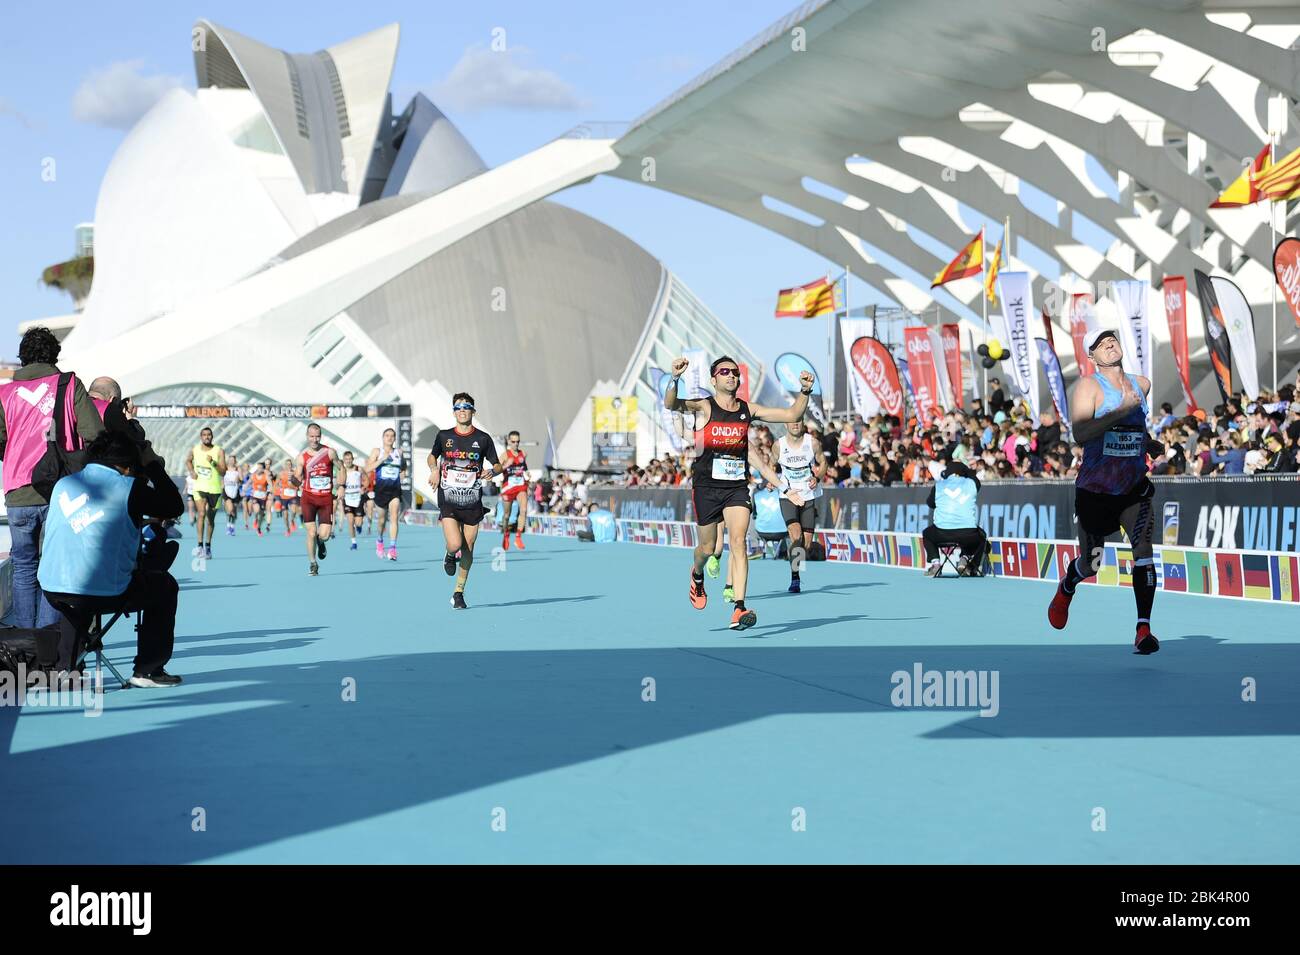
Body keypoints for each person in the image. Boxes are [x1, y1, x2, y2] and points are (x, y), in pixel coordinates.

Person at [665, 355, 812, 631]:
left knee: (738, 542)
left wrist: (804, 391)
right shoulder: (704, 406)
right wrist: (674, 379)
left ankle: (739, 608)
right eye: (724, 372)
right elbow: (671, 403)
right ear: (714, 379)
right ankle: (697, 575)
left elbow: (792, 414)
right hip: (707, 487)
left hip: (735, 489)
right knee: (708, 549)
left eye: (734, 372)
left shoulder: (747, 410)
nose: (731, 375)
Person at [39, 430, 185, 687]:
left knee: (78, 588)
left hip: (53, 587)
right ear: (127, 465)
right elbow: (174, 506)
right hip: (103, 590)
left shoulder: (64, 484)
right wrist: (151, 465)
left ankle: (67, 669)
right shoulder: (129, 487)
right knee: (164, 586)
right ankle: (148, 670)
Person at [1047, 329, 1159, 654]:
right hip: (1096, 491)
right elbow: (1081, 433)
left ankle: (1143, 629)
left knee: (1144, 550)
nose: (1109, 343)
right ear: (1092, 357)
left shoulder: (1143, 384)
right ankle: (1068, 584)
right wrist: (1122, 411)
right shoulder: (1088, 386)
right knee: (1092, 564)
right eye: (1099, 343)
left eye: (1112, 338)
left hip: (1133, 489)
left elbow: (1134, 428)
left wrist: (1147, 442)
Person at [0, 326, 106, 631]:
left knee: (23, 567)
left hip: (17, 490)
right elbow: (95, 433)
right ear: (53, 355)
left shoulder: (5, 393)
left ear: (22, 358)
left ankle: (25, 639)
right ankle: (48, 642)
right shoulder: (68, 384)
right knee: (54, 567)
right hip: (61, 490)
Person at [428, 393, 499, 609]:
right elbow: (432, 456)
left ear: (473, 412)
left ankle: (458, 593)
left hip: (472, 501)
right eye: (458, 407)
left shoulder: (484, 439)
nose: (462, 410)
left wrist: (492, 472)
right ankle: (450, 555)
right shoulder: (444, 436)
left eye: (466, 407)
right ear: (454, 412)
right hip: (448, 498)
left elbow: (497, 465)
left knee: (468, 548)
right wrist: (434, 469)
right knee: (456, 544)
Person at [775, 415, 827, 593]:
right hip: (788, 497)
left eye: (798, 421)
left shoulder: (812, 443)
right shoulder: (779, 445)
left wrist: (817, 477)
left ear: (803, 423)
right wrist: (771, 481)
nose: (795, 424)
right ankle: (795, 578)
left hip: (808, 496)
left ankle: (796, 562)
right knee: (795, 537)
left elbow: (824, 463)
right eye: (792, 421)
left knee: (805, 546)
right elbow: (770, 466)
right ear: (786, 424)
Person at [922, 461, 987, 577]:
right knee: (981, 537)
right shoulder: (972, 483)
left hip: (942, 533)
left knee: (927, 534)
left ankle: (936, 564)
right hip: (967, 533)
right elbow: (975, 479)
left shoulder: (939, 485)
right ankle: (967, 562)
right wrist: (968, 471)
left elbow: (930, 503)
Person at [294, 424, 338, 576]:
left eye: (317, 436)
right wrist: (293, 480)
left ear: (321, 436)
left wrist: (342, 486)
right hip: (309, 498)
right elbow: (297, 480)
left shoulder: (329, 452)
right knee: (311, 532)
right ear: (307, 437)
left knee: (324, 535)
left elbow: (341, 468)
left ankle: (321, 542)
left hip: (325, 498)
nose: (315, 439)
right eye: (312, 436)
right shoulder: (302, 457)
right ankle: (313, 564)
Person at [365, 428, 405, 561]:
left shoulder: (399, 452)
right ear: (383, 438)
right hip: (381, 490)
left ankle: (393, 549)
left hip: (395, 490)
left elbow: (403, 467)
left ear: (394, 438)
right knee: (382, 521)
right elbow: (368, 468)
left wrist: (402, 475)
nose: (389, 438)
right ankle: (380, 540)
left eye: (392, 436)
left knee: (394, 517)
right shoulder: (377, 451)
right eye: (387, 436)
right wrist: (382, 459)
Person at [184, 427, 224, 559]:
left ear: (212, 437)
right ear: (201, 437)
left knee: (210, 518)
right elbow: (188, 461)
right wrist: (191, 471)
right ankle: (200, 545)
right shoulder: (195, 449)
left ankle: (208, 546)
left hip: (214, 489)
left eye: (209, 435)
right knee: (201, 514)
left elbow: (223, 471)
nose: (207, 437)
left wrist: (212, 462)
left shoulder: (219, 451)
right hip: (199, 487)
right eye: (204, 435)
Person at [499, 430, 530, 550]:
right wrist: (506, 465)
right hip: (508, 488)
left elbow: (524, 467)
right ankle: (506, 534)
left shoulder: (523, 453)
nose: (516, 444)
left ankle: (518, 537)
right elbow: (496, 469)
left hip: (521, 486)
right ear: (508, 441)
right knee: (507, 515)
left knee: (524, 509)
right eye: (513, 442)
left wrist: (527, 473)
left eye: (518, 442)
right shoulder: (505, 455)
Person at [338, 450, 365, 549]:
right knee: (350, 521)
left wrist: (363, 488)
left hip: (358, 498)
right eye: (346, 459)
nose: (348, 461)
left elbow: (366, 480)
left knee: (358, 522)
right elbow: (338, 483)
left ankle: (359, 526)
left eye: (350, 459)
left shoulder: (359, 469)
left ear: (353, 459)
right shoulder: (342, 471)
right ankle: (354, 542)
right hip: (347, 498)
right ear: (344, 460)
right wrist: (340, 490)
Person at [222, 453, 241, 538]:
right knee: (230, 509)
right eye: (230, 460)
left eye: (233, 460)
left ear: (235, 461)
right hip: (226, 491)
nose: (231, 461)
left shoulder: (237, 469)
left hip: (235, 492)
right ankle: (228, 526)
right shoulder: (225, 468)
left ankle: (232, 527)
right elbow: (221, 478)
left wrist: (239, 479)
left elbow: (241, 478)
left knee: (234, 511)